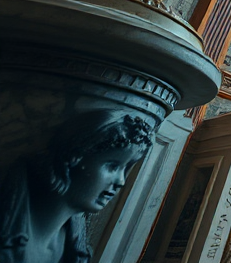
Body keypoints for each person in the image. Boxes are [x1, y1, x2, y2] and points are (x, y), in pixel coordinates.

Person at [0, 110, 154, 263]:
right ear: (73, 158)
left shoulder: (75, 245)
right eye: (112, 166)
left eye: (125, 168)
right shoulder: (8, 233)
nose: (121, 181)